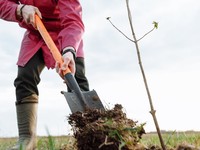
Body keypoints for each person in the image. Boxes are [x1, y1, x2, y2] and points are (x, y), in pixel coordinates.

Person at [0, 0, 89, 149]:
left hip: (65, 33)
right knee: (24, 78)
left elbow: (73, 20)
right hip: (35, 33)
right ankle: (27, 139)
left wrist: (69, 50)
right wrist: (20, 9)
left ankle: (89, 134)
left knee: (77, 79)